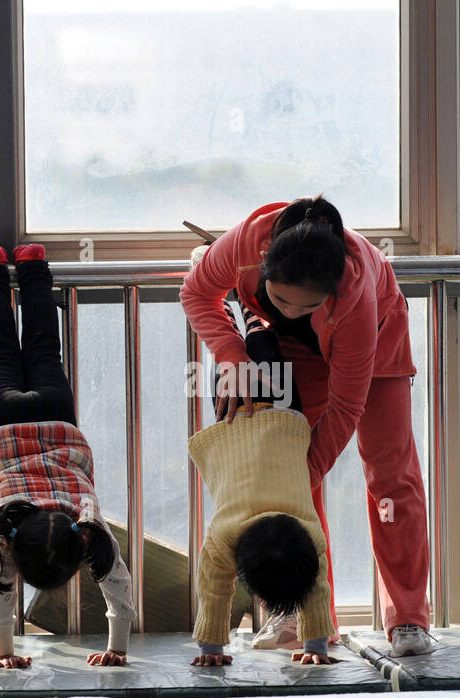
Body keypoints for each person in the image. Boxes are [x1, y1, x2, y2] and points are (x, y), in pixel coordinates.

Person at [181, 196, 433, 657]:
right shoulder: (248, 241)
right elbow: (196, 292)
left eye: (307, 304)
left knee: (390, 474)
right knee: (285, 458)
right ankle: (301, 611)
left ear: (332, 290)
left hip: (375, 339)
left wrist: (299, 480)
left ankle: (409, 618)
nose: (293, 309)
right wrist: (234, 355)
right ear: (263, 263)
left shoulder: (354, 302)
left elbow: (345, 410)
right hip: (295, 349)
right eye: (280, 298)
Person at [0, 243, 135, 668]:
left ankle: (33, 264)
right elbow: (0, 594)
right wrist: (3, 652)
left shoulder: (86, 521)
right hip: (4, 422)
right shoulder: (7, 528)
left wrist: (119, 647)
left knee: (45, 346)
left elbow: (119, 584)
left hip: (55, 416)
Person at [189, 302, 336, 666]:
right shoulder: (224, 537)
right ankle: (228, 301)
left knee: (260, 342)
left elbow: (316, 585)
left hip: (282, 409)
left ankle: (241, 305)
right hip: (232, 412)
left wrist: (315, 644)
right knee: (226, 353)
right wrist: (211, 648)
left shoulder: (309, 533)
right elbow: (213, 587)